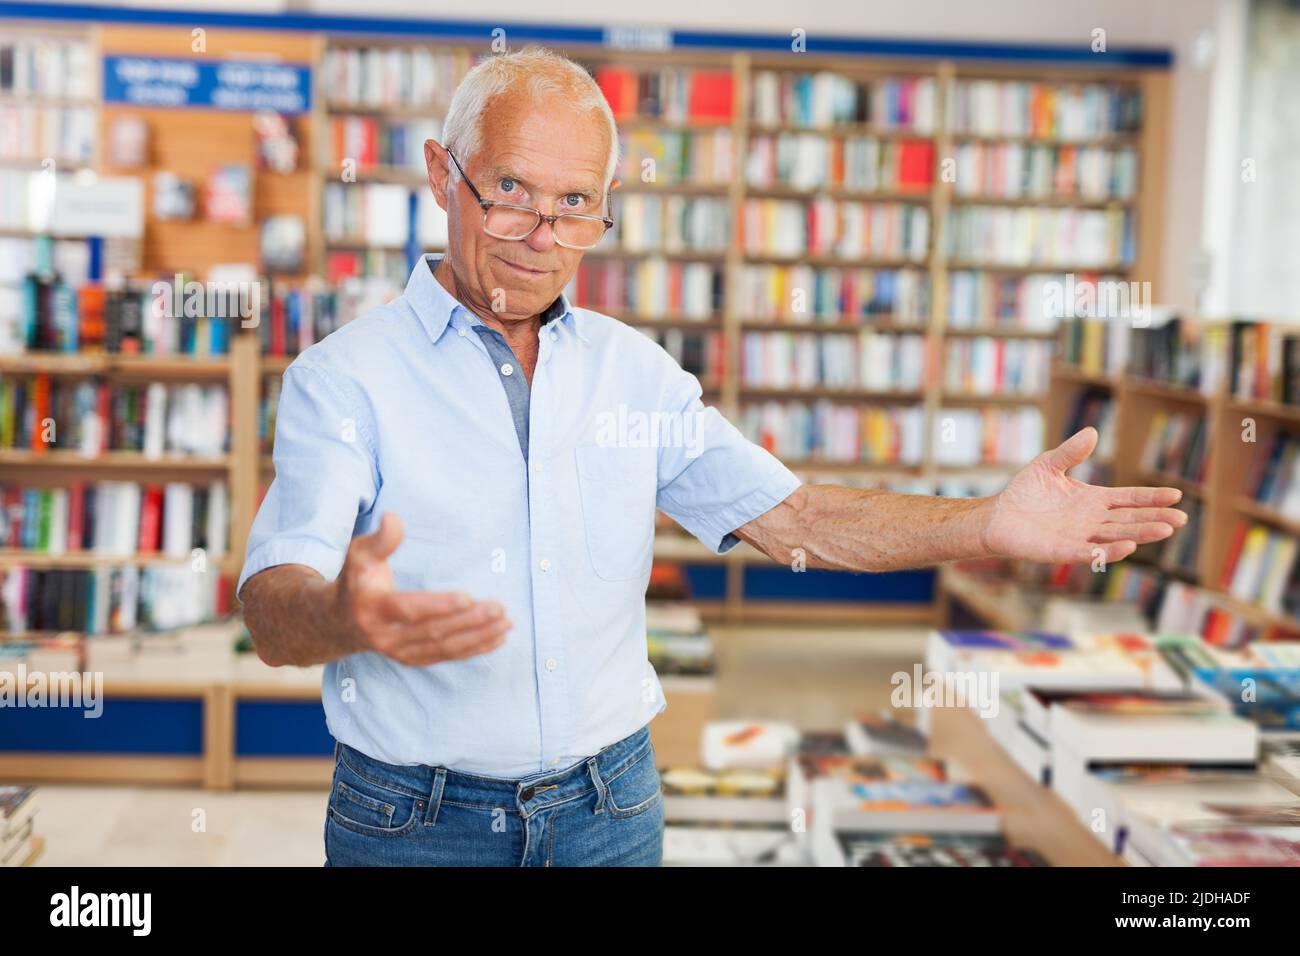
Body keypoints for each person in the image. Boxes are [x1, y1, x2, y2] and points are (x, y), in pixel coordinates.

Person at [238, 47, 1185, 867]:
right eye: (512, 193)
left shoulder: (633, 372)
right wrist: (343, 615)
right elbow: (273, 615)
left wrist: (984, 523)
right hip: (412, 820)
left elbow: (797, 519)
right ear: (445, 176)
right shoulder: (343, 378)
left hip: (610, 810)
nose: (543, 237)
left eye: (577, 205)